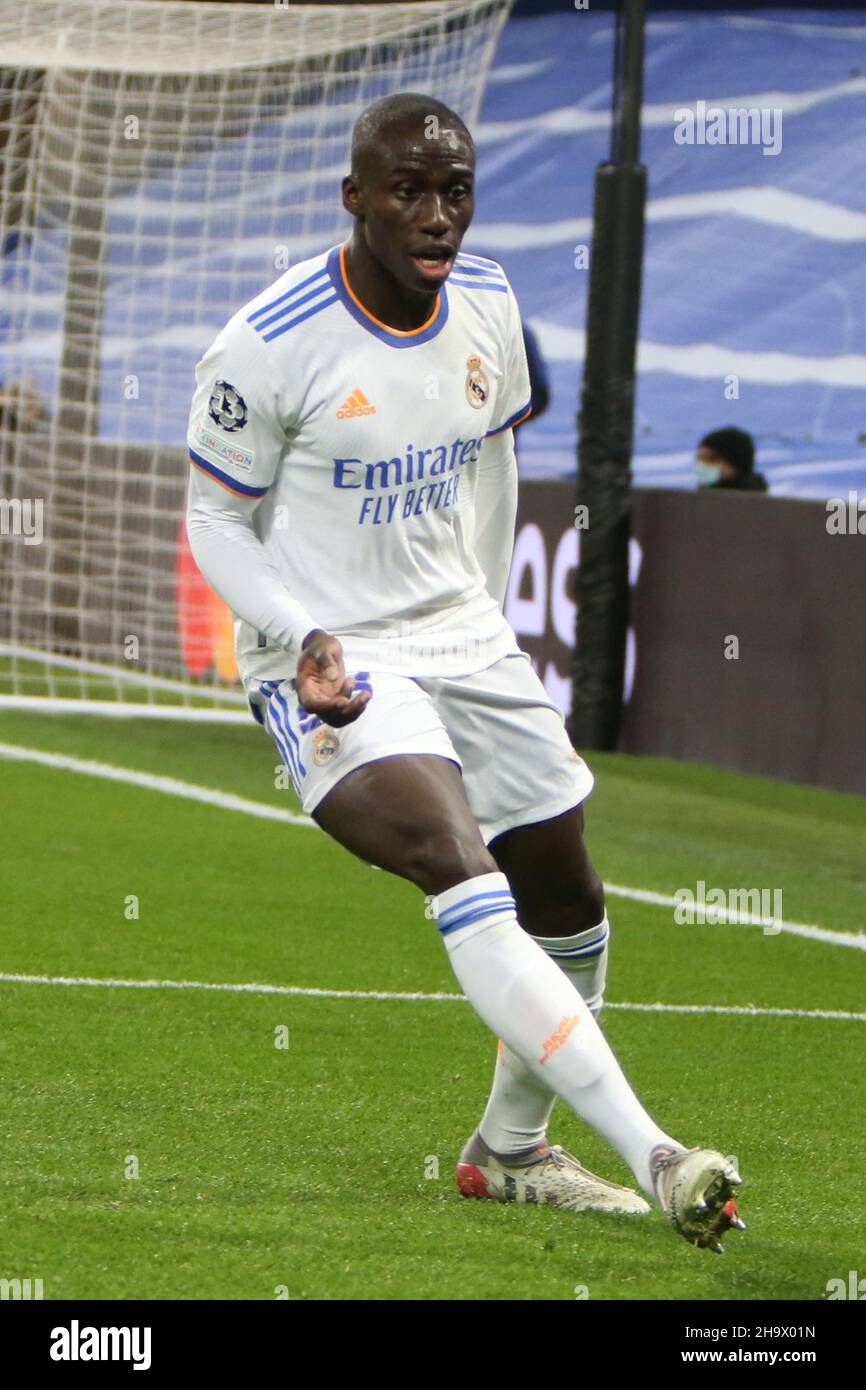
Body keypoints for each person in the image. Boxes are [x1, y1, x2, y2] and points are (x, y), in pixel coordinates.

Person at [186, 93, 744, 1252]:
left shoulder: (487, 301)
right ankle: (655, 1154)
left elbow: (493, 465)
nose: (435, 215)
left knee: (572, 902)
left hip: (456, 628)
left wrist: (485, 618)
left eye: (454, 192)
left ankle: (507, 1151)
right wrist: (302, 639)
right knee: (459, 860)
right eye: (407, 191)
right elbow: (215, 524)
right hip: (331, 650)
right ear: (354, 198)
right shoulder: (266, 341)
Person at [695, 427, 768, 491]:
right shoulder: (697, 502)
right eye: (699, 460)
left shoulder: (760, 504)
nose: (702, 465)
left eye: (711, 460)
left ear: (735, 465)